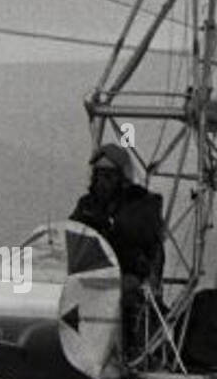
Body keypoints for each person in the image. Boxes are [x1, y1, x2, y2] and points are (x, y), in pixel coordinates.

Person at [70, 144, 165, 362]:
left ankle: (126, 354)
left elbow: (142, 239)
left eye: (109, 175)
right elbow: (72, 231)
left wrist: (111, 227)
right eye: (99, 174)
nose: (103, 181)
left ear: (121, 177)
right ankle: (70, 345)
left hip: (127, 272)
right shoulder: (87, 205)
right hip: (92, 272)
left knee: (118, 294)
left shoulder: (141, 205)